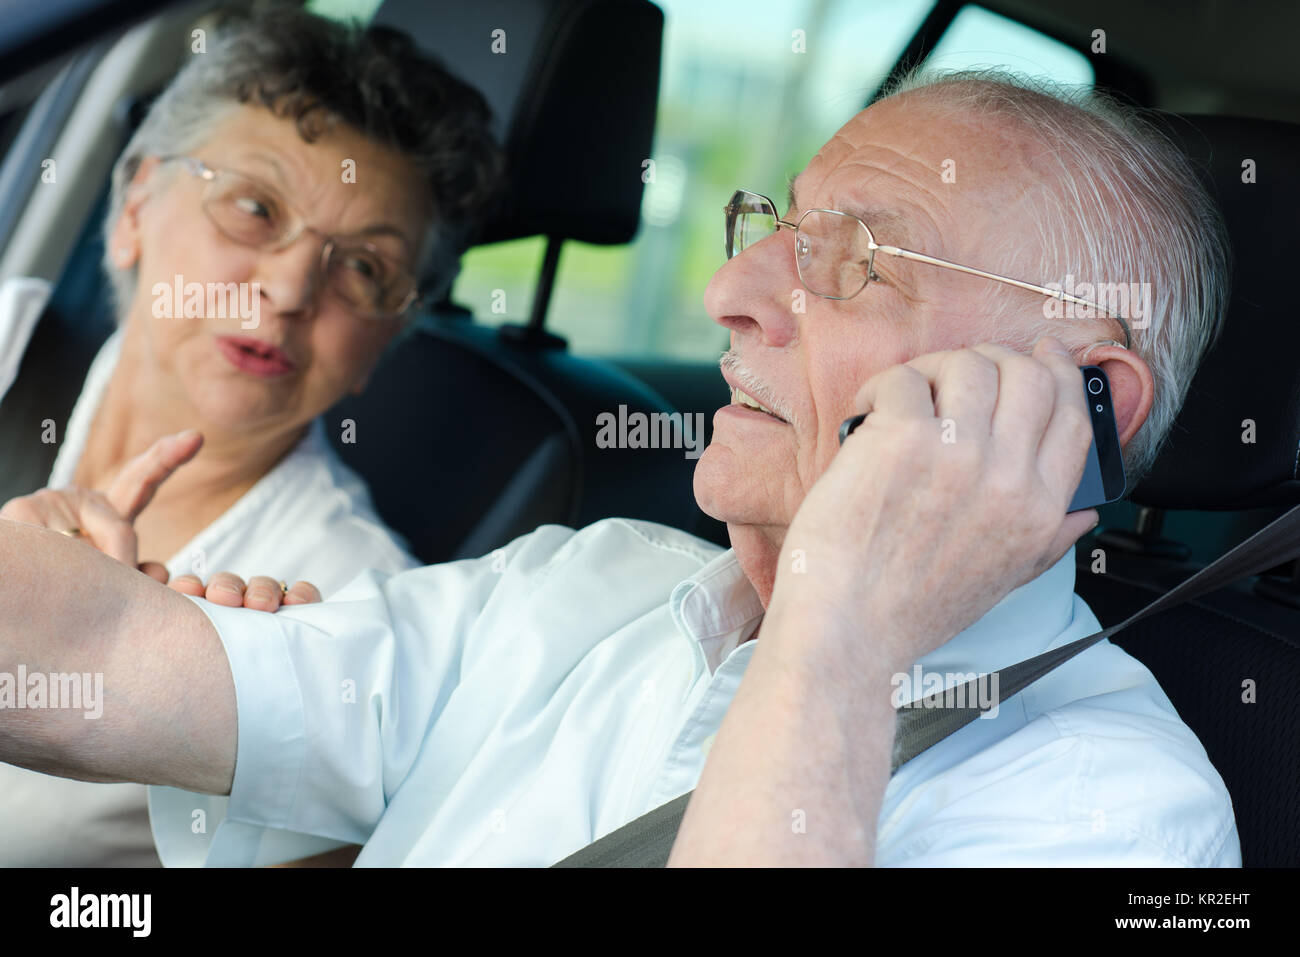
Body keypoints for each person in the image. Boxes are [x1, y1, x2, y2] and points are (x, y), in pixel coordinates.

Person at [0, 69, 1237, 866]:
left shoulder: (1118, 815)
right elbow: (112, 658)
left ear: (1079, 407)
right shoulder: (583, 591)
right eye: (776, 229)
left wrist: (842, 640)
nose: (731, 290)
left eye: (856, 260)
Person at [0, 4, 500, 866]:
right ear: (134, 207)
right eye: (255, 207)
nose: (291, 289)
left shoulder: (356, 616)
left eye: (365, 266)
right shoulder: (9, 341)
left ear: (385, 341)